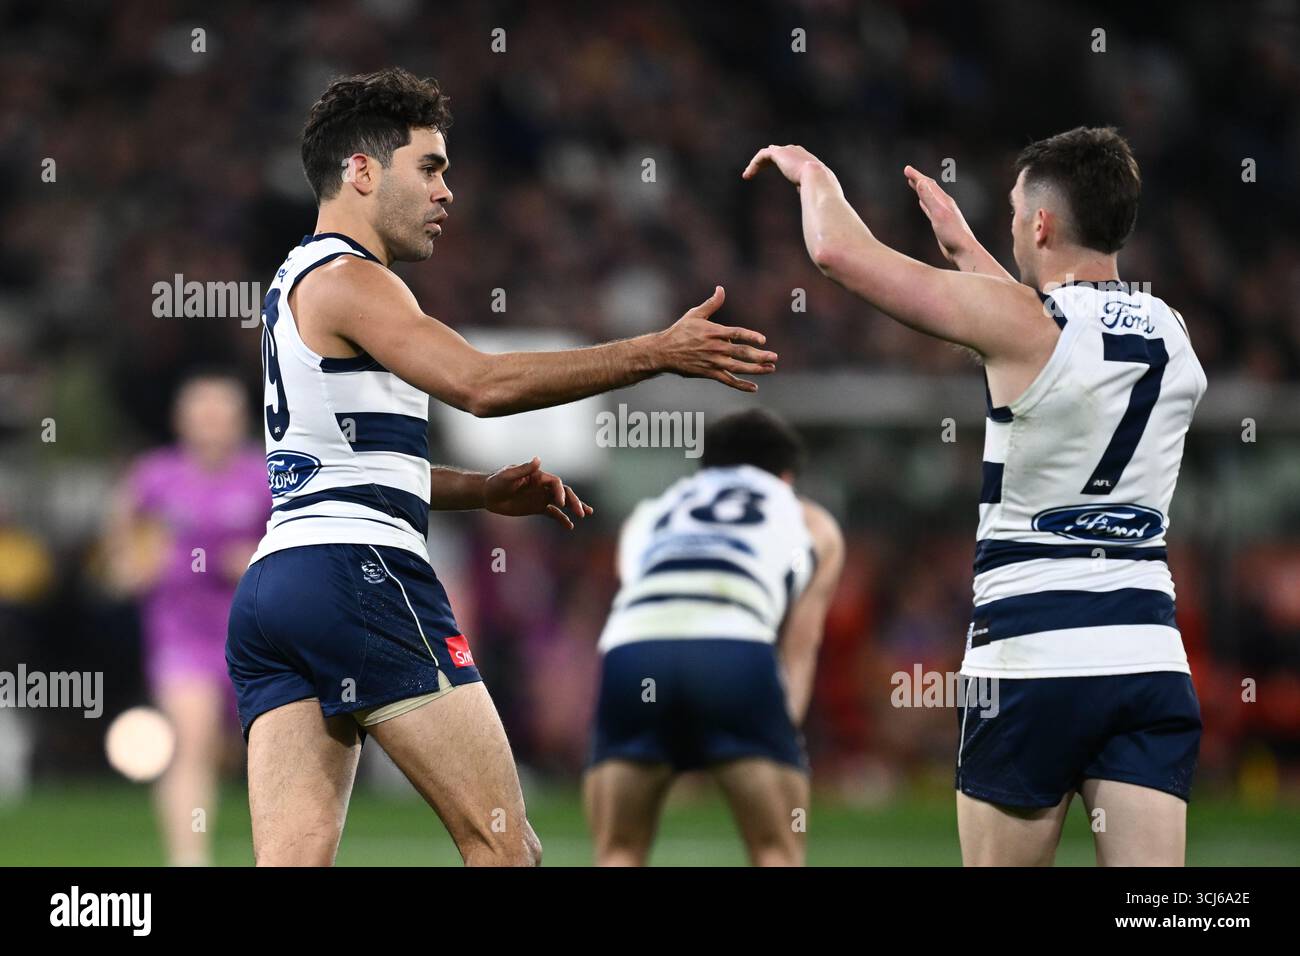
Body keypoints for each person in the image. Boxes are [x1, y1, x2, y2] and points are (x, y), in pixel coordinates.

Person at [226, 67, 778, 866]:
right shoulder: (354, 279)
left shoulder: (291, 283)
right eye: (431, 166)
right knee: (503, 845)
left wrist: (482, 491)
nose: (448, 190)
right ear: (361, 171)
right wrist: (655, 352)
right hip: (359, 575)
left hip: (278, 590)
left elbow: (344, 471)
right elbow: (479, 386)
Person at [745, 126, 1205, 865]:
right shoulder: (1171, 331)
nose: (1015, 223)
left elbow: (839, 254)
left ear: (1043, 226)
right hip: (1146, 661)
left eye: (1019, 211)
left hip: (1030, 659)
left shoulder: (1026, 326)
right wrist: (964, 249)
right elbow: (1059, 341)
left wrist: (813, 178)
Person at [584, 409, 844, 865]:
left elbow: (643, 601)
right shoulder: (809, 519)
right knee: (774, 850)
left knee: (619, 851)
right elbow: (800, 649)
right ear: (785, 478)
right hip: (735, 647)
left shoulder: (652, 511)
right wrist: (779, 736)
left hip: (634, 651)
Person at [107, 369, 270, 865]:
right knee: (190, 740)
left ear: (241, 419)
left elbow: (296, 545)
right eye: (202, 412)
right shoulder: (154, 476)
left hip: (252, 634)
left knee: (244, 751)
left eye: (222, 412)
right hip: (180, 632)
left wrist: (257, 558)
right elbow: (119, 548)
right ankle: (188, 859)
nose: (212, 422)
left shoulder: (264, 474)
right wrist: (136, 564)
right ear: (181, 420)